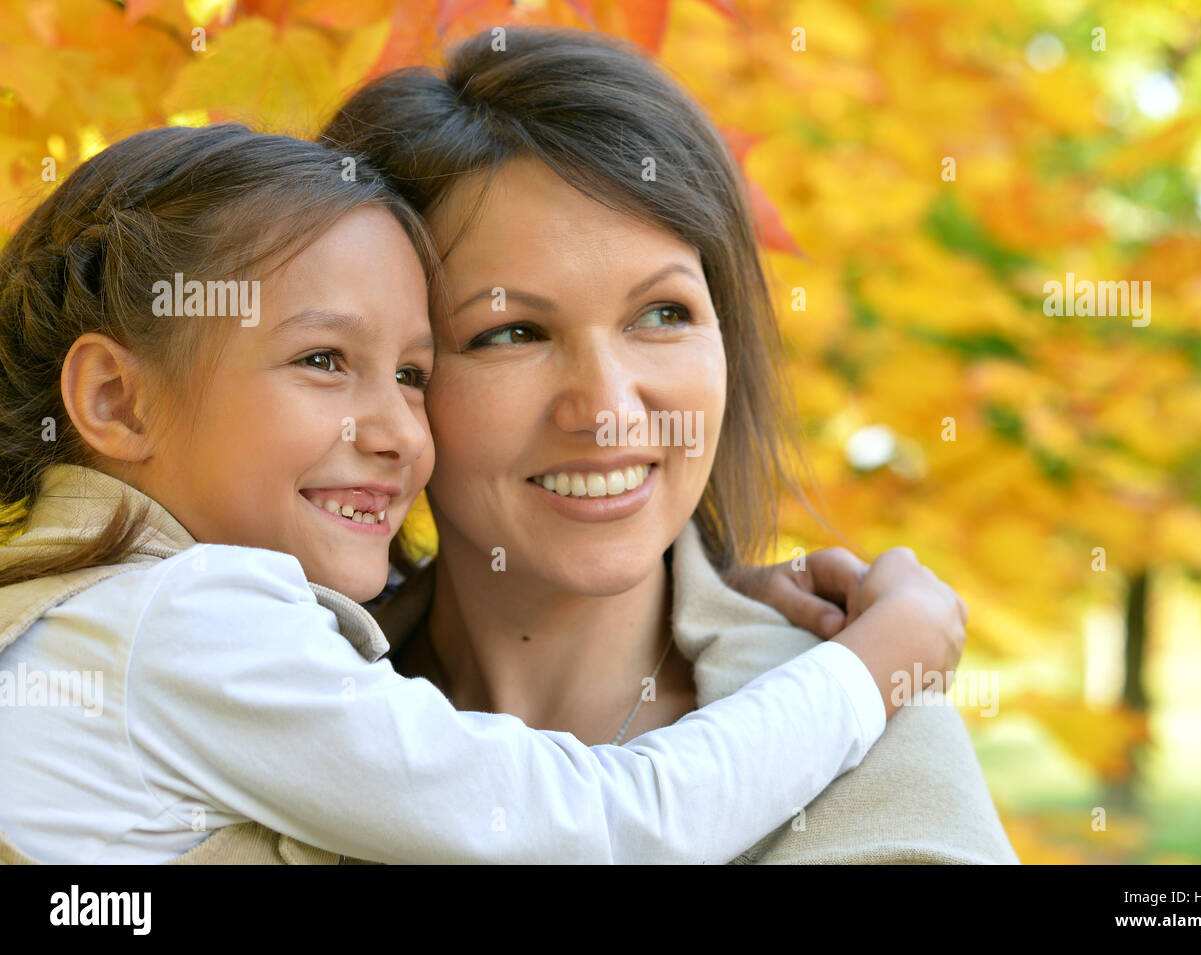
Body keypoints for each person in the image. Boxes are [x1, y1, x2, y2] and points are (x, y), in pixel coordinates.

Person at [0, 123, 966, 864]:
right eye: (324, 359)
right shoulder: (195, 618)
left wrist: (720, 611)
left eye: (412, 375)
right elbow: (603, 824)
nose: (394, 432)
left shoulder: (89, 612)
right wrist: (873, 665)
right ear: (117, 399)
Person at [320, 25, 1019, 863]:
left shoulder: (870, 715)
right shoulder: (263, 689)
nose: (608, 410)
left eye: (663, 314)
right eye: (511, 332)